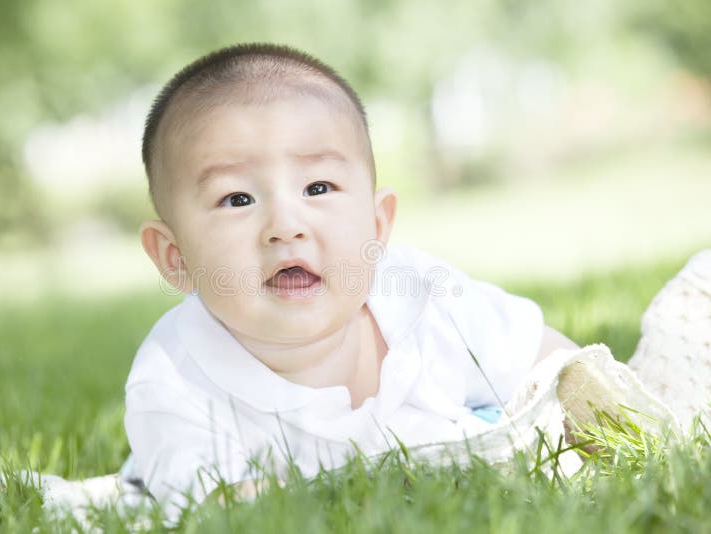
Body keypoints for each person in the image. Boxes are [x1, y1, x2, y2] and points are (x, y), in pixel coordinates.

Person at [124, 42, 580, 517]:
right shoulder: (173, 385)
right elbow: (215, 509)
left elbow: (562, 369)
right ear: (174, 257)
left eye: (317, 188)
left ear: (377, 225)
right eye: (237, 199)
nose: (285, 224)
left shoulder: (426, 300)